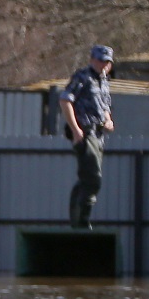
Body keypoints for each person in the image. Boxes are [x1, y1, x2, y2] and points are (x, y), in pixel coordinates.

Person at [59, 45, 116, 229]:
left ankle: (77, 219)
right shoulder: (82, 77)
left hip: (99, 135)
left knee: (87, 178)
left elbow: (105, 107)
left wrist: (108, 121)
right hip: (86, 132)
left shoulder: (104, 81)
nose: (103, 65)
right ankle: (82, 222)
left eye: (107, 62)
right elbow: (65, 99)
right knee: (93, 179)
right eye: (100, 60)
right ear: (92, 59)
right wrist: (75, 130)